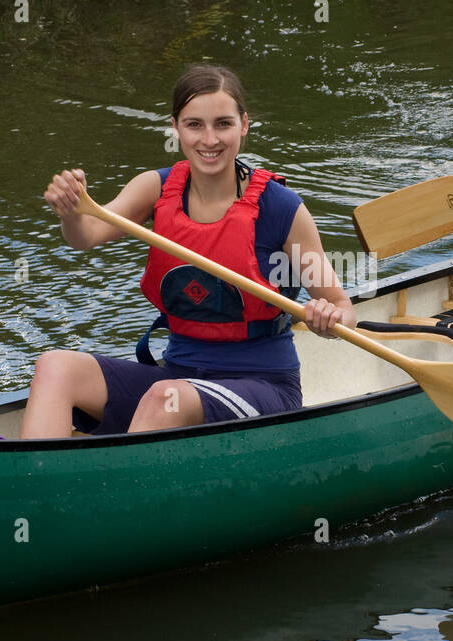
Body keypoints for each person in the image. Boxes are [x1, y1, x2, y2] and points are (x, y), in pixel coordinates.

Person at [21, 65, 356, 438]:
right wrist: (72, 211)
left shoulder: (282, 210)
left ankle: (115, 491)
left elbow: (344, 311)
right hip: (177, 378)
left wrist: (329, 316)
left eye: (223, 124)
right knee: (55, 367)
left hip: (264, 386)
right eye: (194, 124)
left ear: (244, 125)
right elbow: (84, 235)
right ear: (175, 127)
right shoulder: (155, 188)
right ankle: (35, 488)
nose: (209, 139)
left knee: (165, 397)